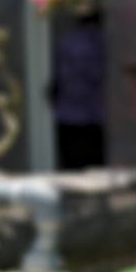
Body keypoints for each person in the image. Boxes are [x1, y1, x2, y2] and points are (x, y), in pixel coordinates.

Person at [50, 9, 105, 169]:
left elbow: (57, 77)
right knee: (95, 165)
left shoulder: (66, 41)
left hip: (68, 115)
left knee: (72, 164)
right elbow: (98, 74)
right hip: (93, 116)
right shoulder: (99, 40)